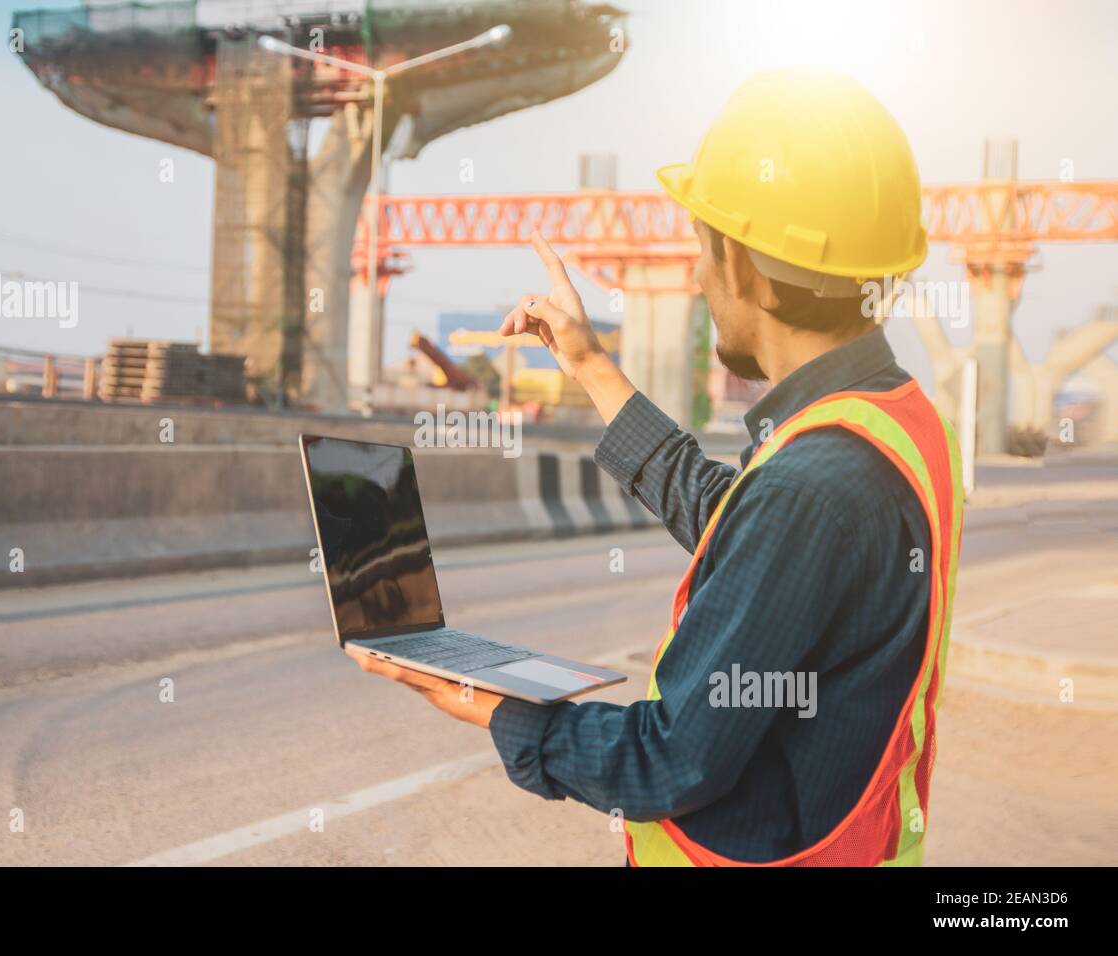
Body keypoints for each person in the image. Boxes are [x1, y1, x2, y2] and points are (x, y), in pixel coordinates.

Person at [350, 68, 964, 867]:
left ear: (742, 267)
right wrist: (590, 366)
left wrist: (491, 704)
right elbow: (745, 528)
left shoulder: (812, 484)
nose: (700, 278)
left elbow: (670, 759)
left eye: (703, 250)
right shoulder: (890, 418)